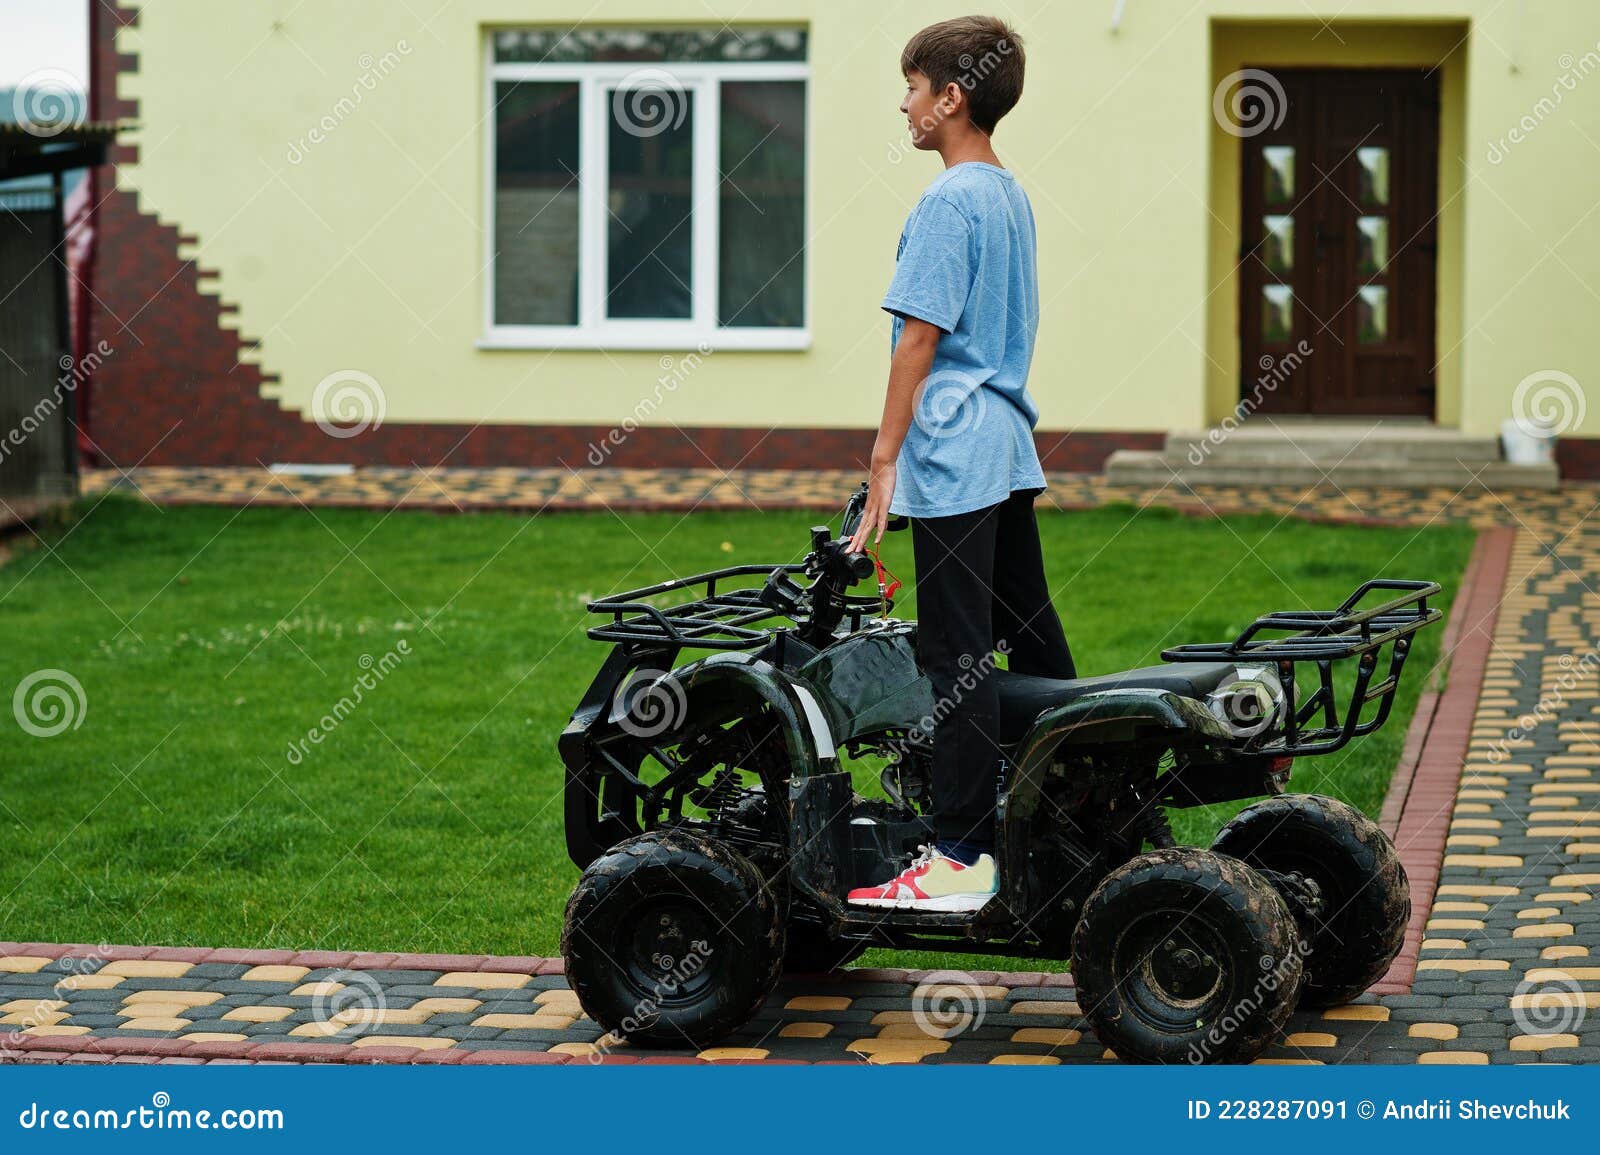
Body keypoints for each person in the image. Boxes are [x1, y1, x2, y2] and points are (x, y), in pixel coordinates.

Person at [845, 15, 1075, 912]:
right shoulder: (1007, 193)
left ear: (953, 97)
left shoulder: (948, 202)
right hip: (1007, 446)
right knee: (1038, 638)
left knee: (957, 658)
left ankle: (960, 857)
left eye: (911, 87)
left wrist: (883, 456)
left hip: (955, 447)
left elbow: (919, 342)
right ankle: (1089, 809)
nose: (902, 105)